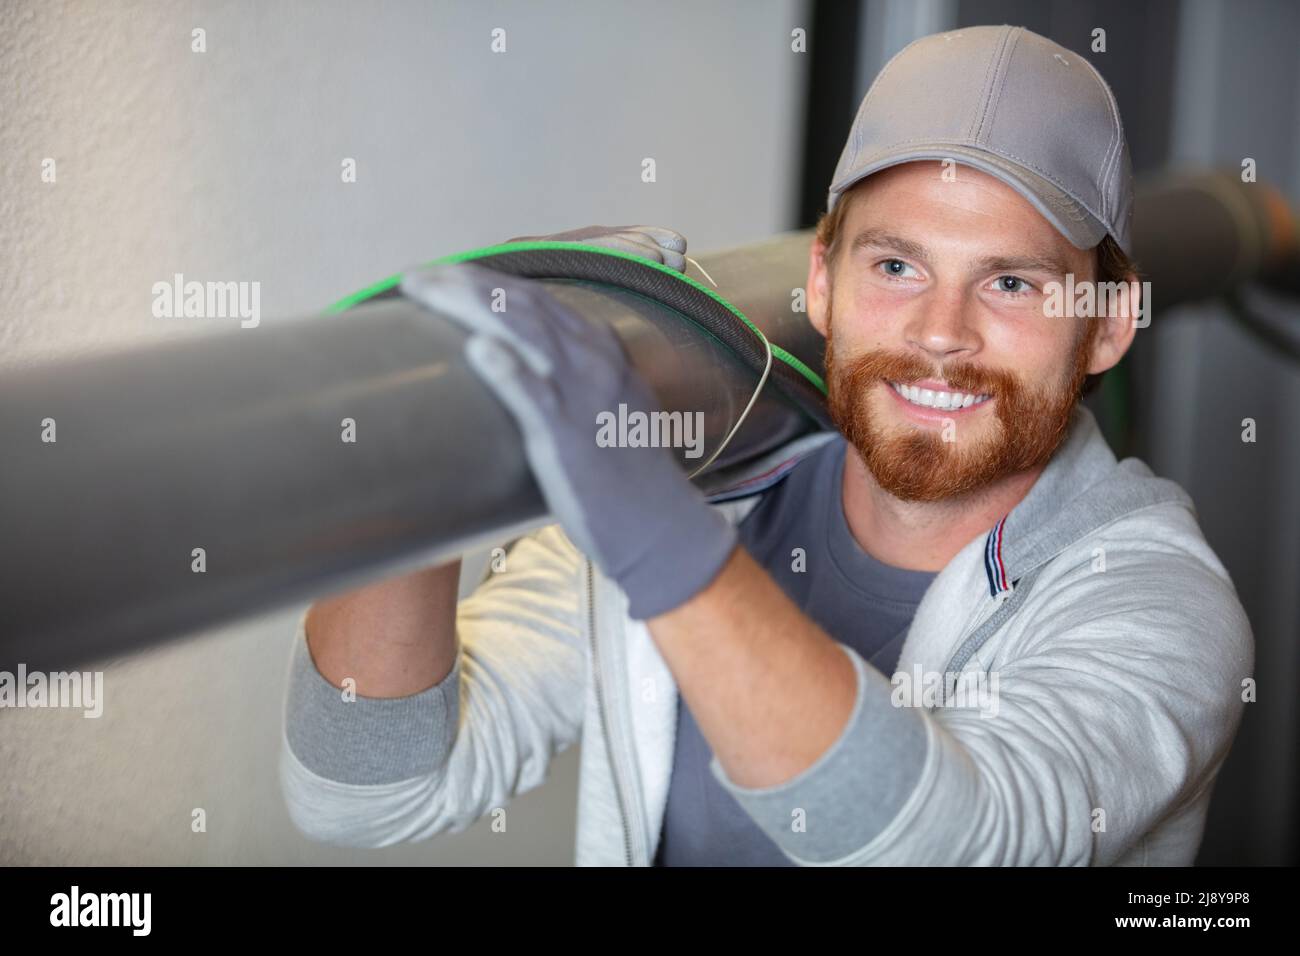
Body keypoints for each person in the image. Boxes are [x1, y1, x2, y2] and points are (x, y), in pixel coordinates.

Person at [278, 25, 1253, 866]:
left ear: (1111, 321)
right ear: (822, 281)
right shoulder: (716, 490)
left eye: (1010, 283)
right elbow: (364, 797)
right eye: (897, 264)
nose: (939, 333)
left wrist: (656, 538)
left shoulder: (1154, 598)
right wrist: (428, 455)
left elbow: (953, 840)